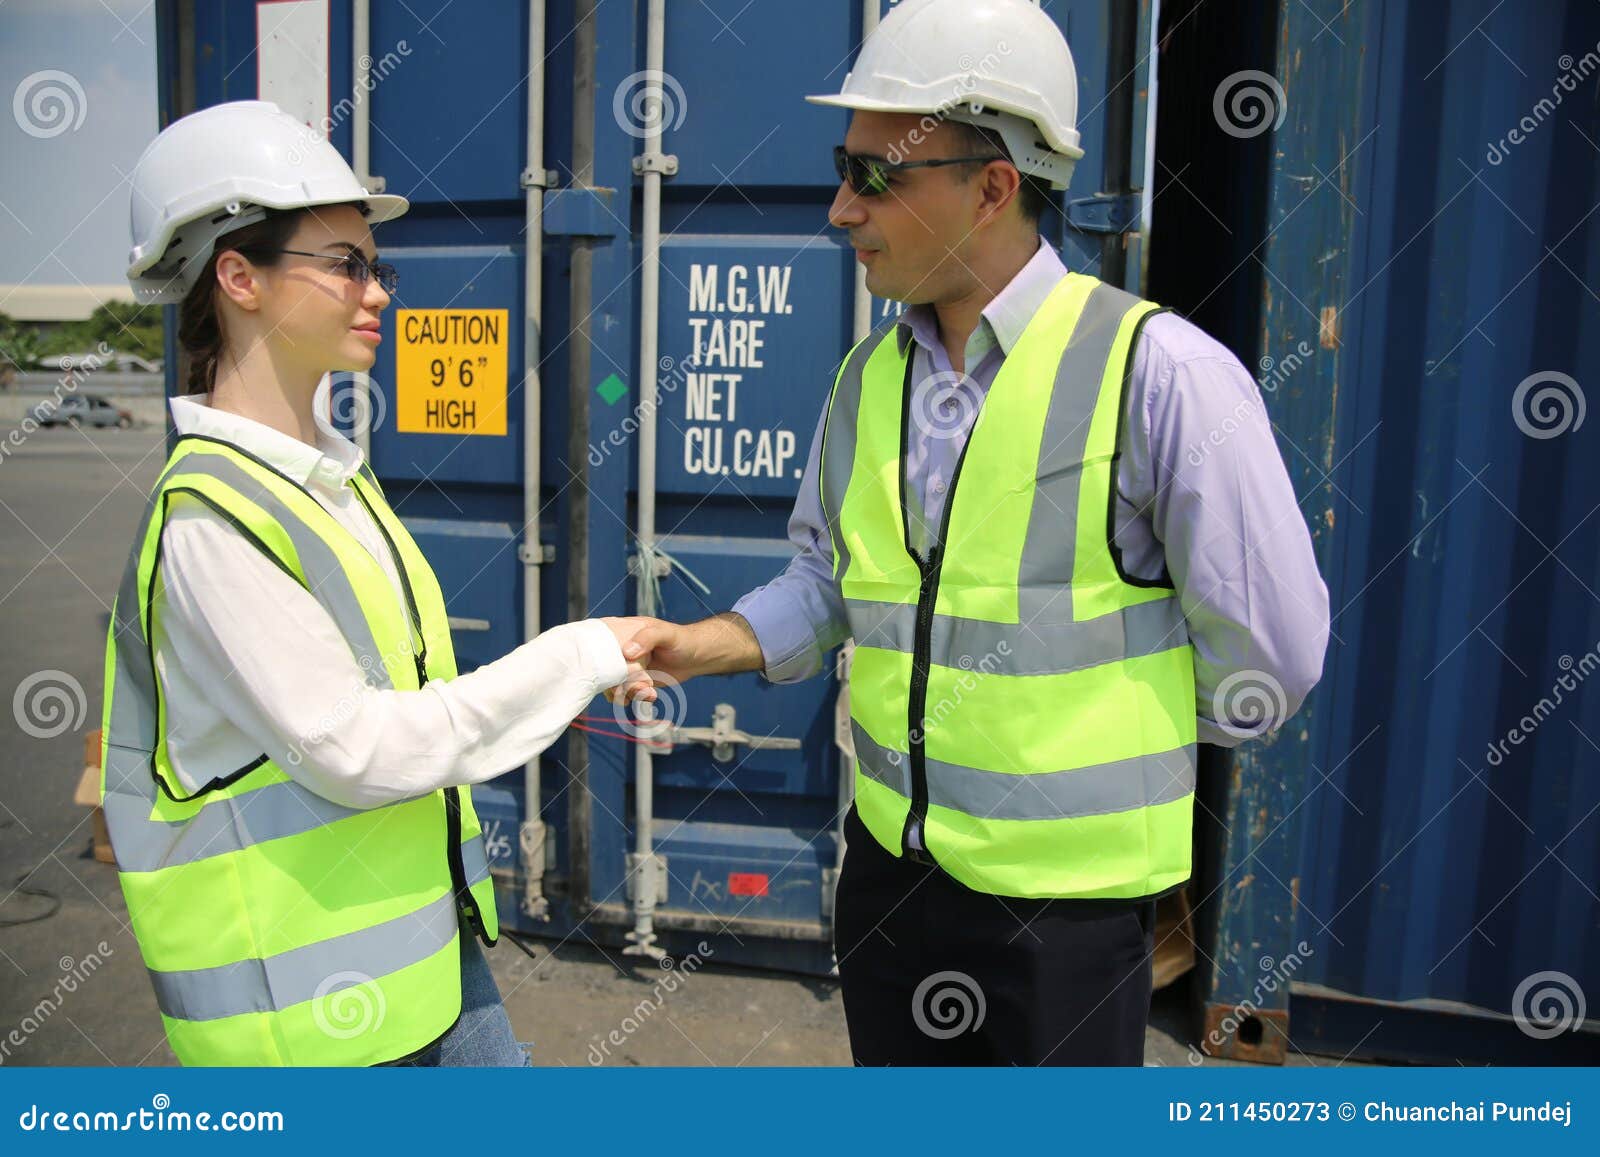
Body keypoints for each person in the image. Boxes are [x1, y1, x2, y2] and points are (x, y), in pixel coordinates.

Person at [619, 0, 1329, 1065]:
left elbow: (1270, 658)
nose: (838, 211)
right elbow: (829, 582)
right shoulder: (869, 379)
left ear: (993, 184)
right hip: (891, 886)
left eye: (873, 176)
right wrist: (696, 643)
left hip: (1062, 918)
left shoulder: (1160, 373)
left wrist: (1097, 737)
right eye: (841, 168)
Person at [101, 101, 650, 1067]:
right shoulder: (211, 522)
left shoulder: (326, 478)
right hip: (305, 1026)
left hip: (418, 965)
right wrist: (577, 655)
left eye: (374, 265)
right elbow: (349, 745)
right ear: (239, 277)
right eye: (345, 263)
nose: (378, 292)